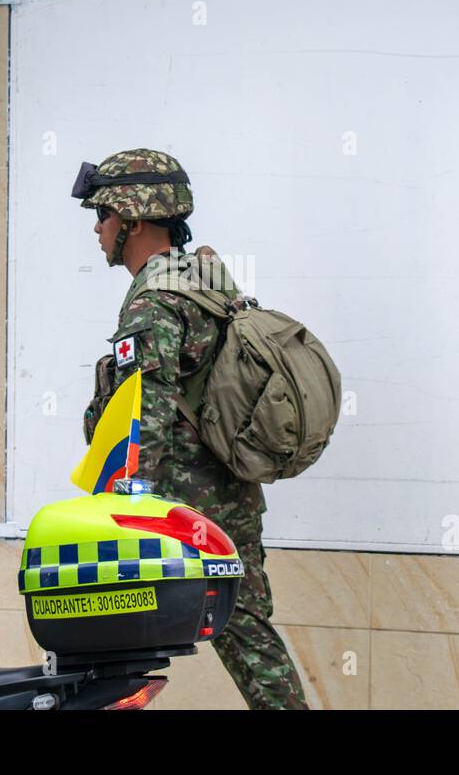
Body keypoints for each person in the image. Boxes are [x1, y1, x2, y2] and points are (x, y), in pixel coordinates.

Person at [72, 148, 309, 710]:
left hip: (178, 503)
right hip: (232, 489)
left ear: (131, 218)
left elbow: (144, 410)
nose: (98, 232)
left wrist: (132, 505)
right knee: (247, 630)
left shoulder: (153, 300)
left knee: (108, 628)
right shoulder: (208, 279)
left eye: (102, 216)